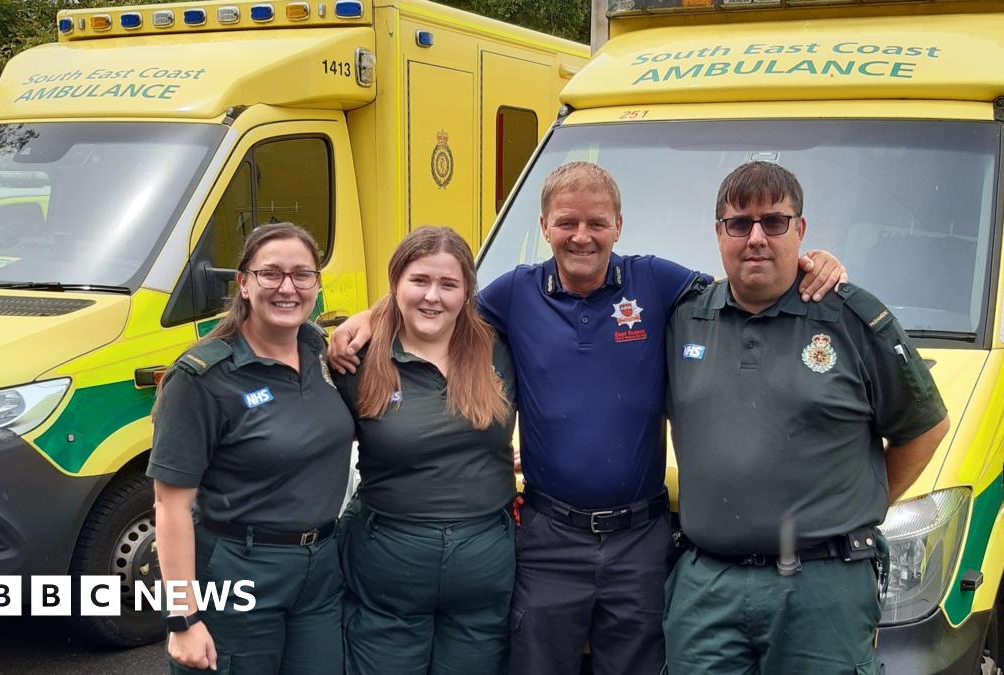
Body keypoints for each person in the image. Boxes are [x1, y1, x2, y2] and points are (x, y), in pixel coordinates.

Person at [329, 162, 846, 675]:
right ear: (545, 227)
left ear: (618, 226)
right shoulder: (514, 293)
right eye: (567, 222)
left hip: (639, 538)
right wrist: (371, 316)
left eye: (597, 223)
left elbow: (739, 285)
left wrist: (808, 261)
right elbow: (440, 300)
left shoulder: (656, 281)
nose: (582, 236)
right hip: (548, 536)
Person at [663, 161, 950, 674]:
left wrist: (867, 503)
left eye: (774, 222)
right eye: (739, 223)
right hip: (706, 586)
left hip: (823, 587)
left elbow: (925, 427)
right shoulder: (683, 318)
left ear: (801, 231)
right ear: (718, 233)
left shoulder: (853, 319)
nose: (756, 238)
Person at [149, 222, 352, 674]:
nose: (288, 287)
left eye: (302, 275)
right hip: (239, 570)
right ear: (243, 283)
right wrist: (182, 618)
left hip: (320, 572)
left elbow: (405, 303)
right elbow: (170, 507)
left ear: (317, 285)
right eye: (270, 274)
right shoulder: (203, 378)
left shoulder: (319, 351)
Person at [334, 226, 517, 674]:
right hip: (388, 564)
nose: (432, 296)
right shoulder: (356, 358)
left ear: (467, 291)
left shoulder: (499, 348)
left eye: (448, 284)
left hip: (483, 564)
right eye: (419, 281)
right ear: (395, 283)